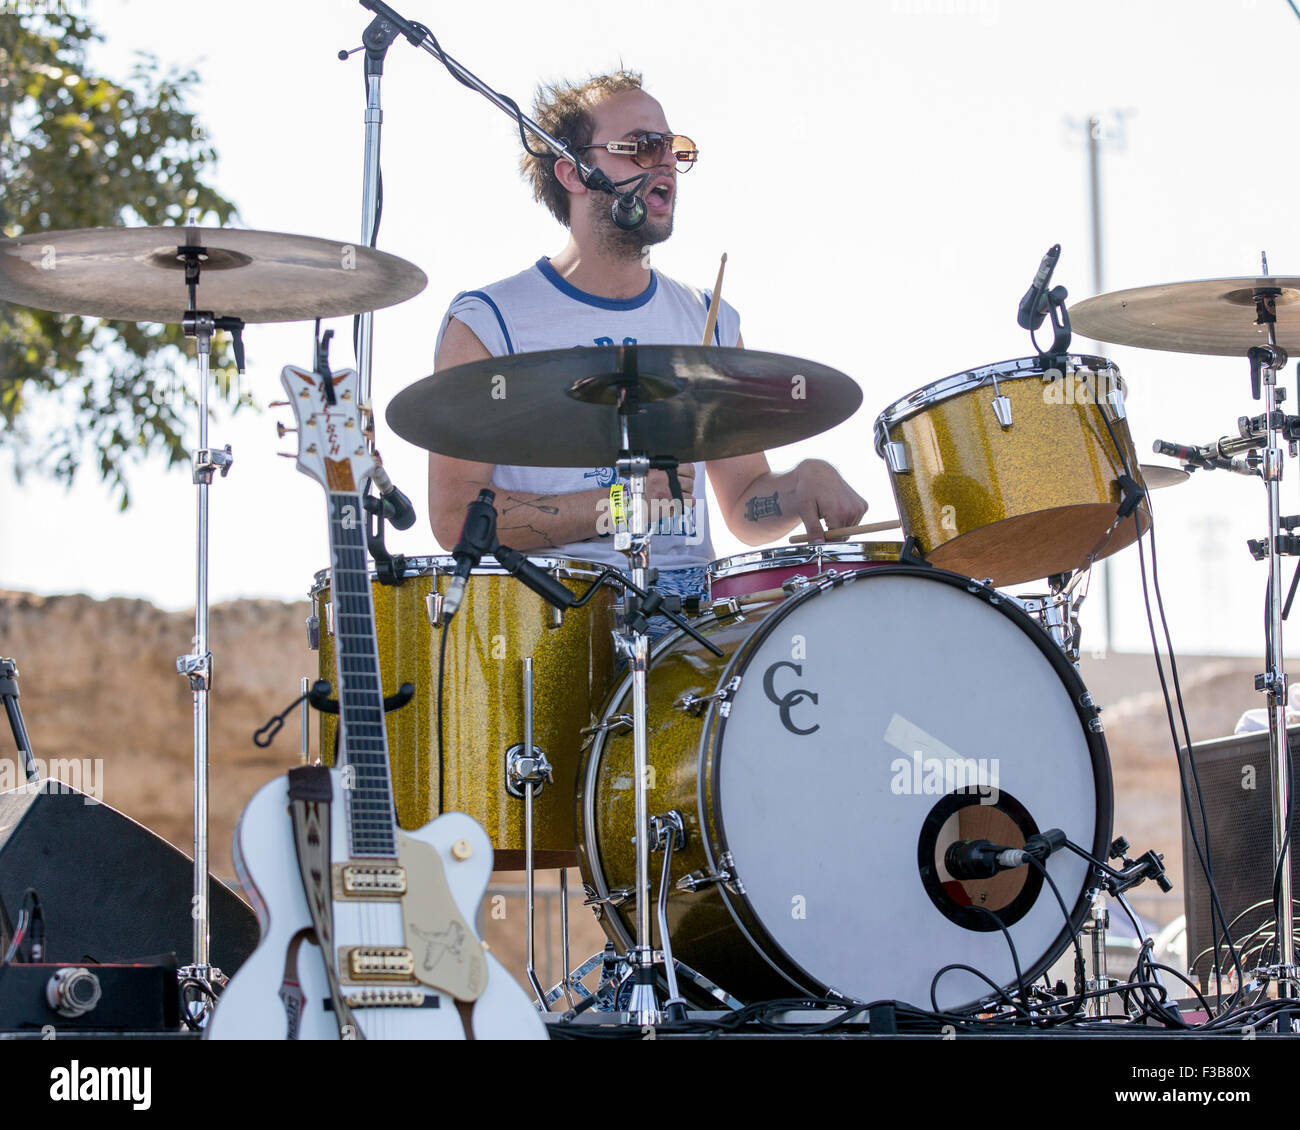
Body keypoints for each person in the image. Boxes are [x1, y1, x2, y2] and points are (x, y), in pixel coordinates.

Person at [426, 70, 866, 604]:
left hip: (692, 623)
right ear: (572, 172)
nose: (665, 162)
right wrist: (619, 505)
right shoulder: (489, 322)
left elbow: (744, 504)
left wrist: (799, 486)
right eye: (641, 147)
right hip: (559, 618)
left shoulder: (710, 318)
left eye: (672, 148)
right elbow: (454, 519)